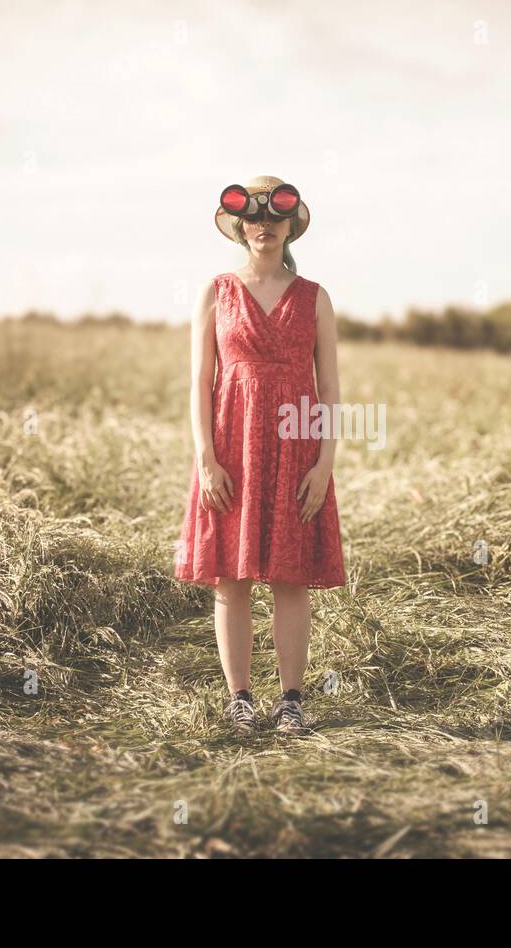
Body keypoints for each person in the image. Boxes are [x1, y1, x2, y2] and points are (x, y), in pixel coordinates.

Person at [173, 176, 347, 736]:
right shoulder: (216, 292)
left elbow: (331, 391)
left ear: (290, 225)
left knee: (291, 577)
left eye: (275, 218)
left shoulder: (315, 297)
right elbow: (200, 381)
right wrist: (205, 457)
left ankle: (292, 700)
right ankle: (240, 699)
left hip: (297, 446)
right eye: (254, 218)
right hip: (231, 445)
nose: (264, 226)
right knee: (231, 578)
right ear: (240, 227)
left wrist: (324, 464)